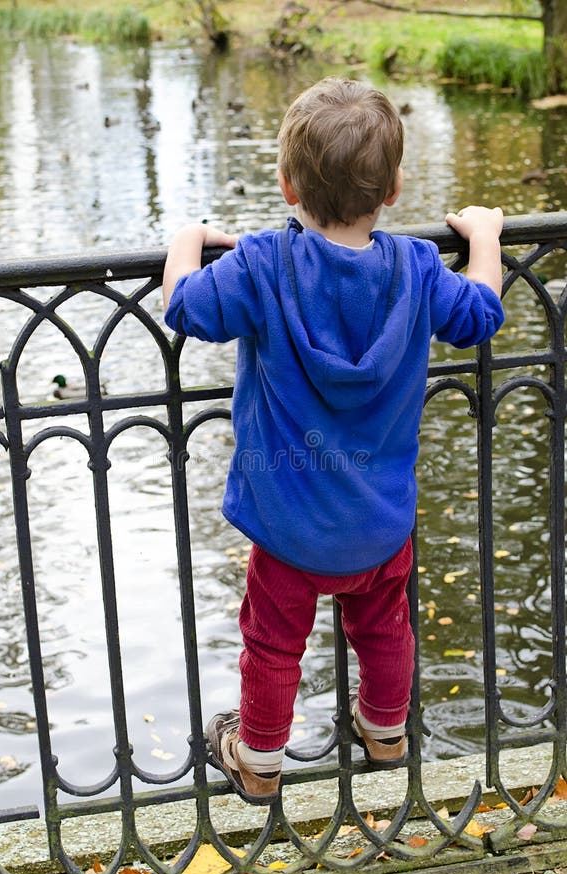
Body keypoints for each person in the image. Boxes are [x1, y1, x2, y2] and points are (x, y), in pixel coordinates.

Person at [162, 77, 504, 805]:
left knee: (273, 642)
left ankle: (258, 758)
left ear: (287, 186)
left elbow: (186, 308)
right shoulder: (417, 268)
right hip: (380, 525)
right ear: (395, 188)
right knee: (384, 628)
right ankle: (385, 732)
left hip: (287, 526)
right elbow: (479, 314)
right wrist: (485, 238)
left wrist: (186, 241)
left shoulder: (260, 264)